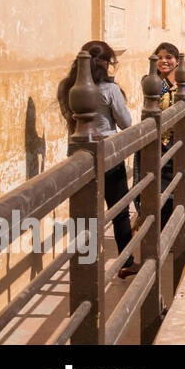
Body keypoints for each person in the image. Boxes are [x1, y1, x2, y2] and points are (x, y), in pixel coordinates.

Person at [56, 41, 139, 279]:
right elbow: (126, 122)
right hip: (108, 155)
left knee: (85, 215)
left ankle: (84, 271)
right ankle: (126, 263)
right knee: (120, 211)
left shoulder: (68, 87)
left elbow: (69, 119)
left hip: (79, 157)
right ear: (105, 63)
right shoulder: (108, 90)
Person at [153, 42, 185, 226]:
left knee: (180, 183)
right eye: (159, 58)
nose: (164, 61)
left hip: (182, 139)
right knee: (161, 188)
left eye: (168, 57)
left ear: (176, 61)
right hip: (159, 142)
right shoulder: (151, 81)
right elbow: (157, 93)